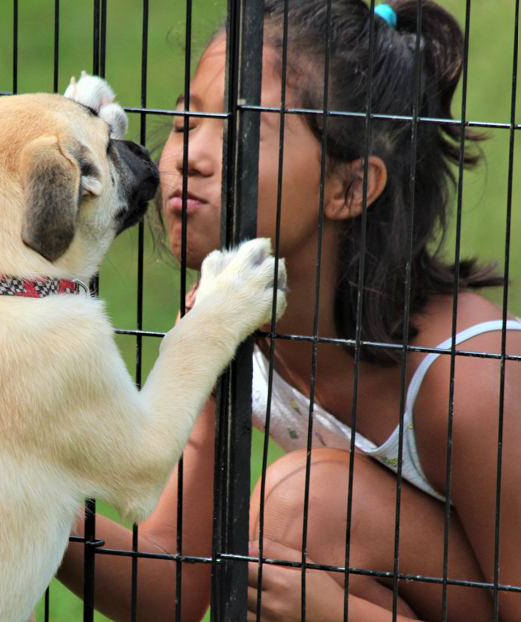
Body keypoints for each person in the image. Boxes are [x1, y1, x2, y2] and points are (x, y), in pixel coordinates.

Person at [56, 1, 521, 620]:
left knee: (307, 507)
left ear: (350, 187)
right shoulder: (233, 317)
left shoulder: (475, 382)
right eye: (186, 122)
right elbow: (172, 583)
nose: (189, 156)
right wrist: (19, 487)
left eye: (240, 132)